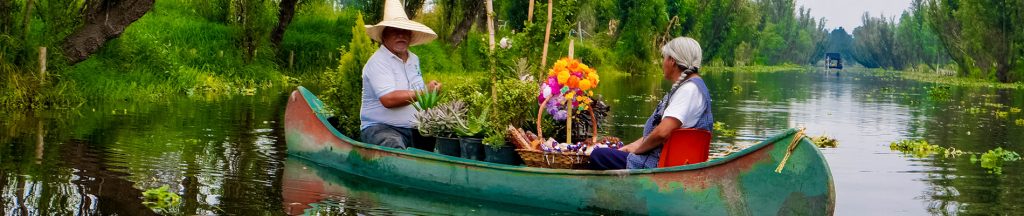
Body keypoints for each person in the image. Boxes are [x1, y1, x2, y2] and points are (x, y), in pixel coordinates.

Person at [589, 37, 714, 170]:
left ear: (672, 61)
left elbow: (662, 133)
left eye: (664, 58)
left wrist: (637, 151)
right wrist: (630, 147)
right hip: (666, 158)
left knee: (598, 155)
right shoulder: (688, 87)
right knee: (615, 151)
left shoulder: (689, 90)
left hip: (661, 163)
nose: (662, 62)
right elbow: (656, 134)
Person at [359, 0, 441, 149]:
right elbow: (388, 99)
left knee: (441, 142)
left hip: (413, 127)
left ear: (410, 36)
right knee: (393, 145)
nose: (400, 35)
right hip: (381, 128)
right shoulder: (378, 61)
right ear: (384, 37)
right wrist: (424, 92)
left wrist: (432, 92)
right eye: (394, 31)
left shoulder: (414, 59)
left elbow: (416, 92)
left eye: (404, 31)